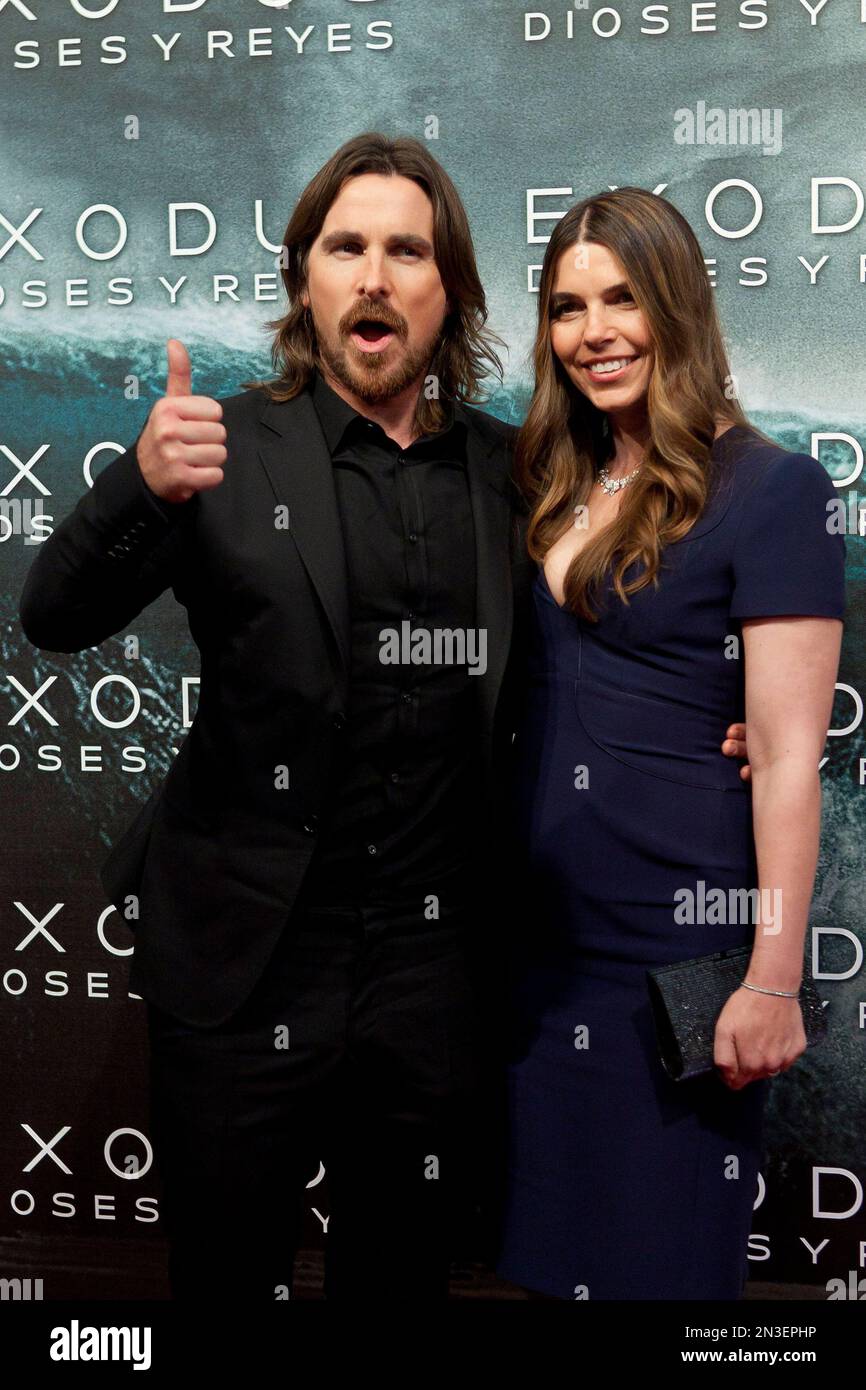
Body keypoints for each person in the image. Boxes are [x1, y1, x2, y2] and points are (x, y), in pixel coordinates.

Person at [18, 137, 748, 1301]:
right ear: (305, 279)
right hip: (244, 957)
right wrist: (135, 487)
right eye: (343, 246)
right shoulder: (216, 449)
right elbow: (53, 617)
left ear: (447, 286)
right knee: (223, 1275)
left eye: (405, 249)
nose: (373, 274)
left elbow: (615, 638)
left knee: (402, 1279)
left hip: (433, 969)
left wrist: (728, 716)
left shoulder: (520, 476)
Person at [495, 187, 845, 1301]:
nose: (593, 331)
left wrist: (774, 979)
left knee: (658, 1270)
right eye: (566, 307)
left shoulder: (773, 489)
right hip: (538, 959)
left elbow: (789, 755)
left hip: (672, 953)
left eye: (622, 299)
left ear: (677, 305)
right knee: (549, 1270)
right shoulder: (549, 481)